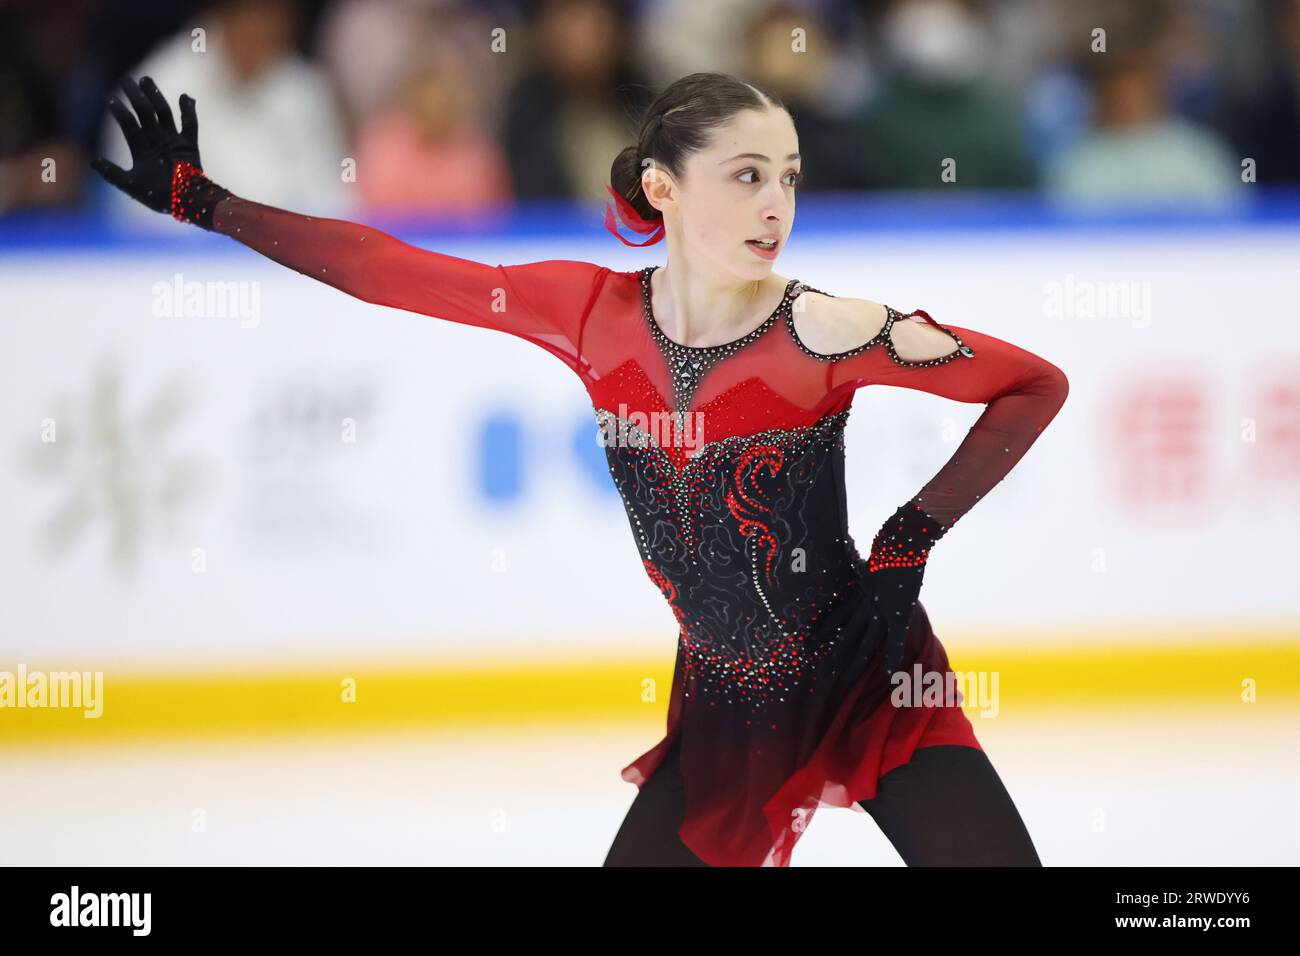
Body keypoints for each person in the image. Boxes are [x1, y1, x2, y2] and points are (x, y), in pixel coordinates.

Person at [93, 71, 1068, 868]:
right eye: (745, 176)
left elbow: (1033, 384)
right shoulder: (587, 311)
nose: (776, 205)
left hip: (867, 666)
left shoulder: (830, 329)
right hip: (728, 699)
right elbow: (382, 267)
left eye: (789, 176)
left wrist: (914, 530)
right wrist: (204, 202)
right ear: (663, 187)